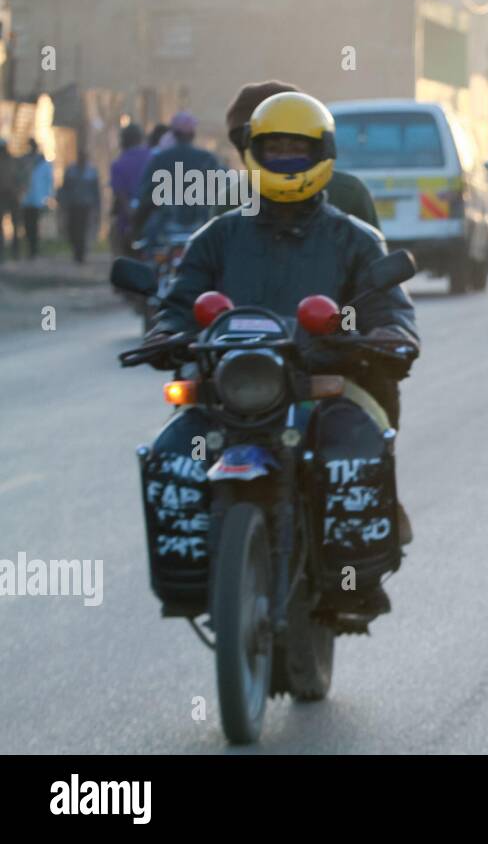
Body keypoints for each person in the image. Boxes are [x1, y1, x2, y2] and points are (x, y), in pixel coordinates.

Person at [145, 91, 419, 621]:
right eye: (276, 149)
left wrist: (387, 333)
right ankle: (188, 580)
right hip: (230, 385)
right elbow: (180, 302)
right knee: (172, 451)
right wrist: (166, 333)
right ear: (255, 153)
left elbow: (389, 306)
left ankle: (356, 579)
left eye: (299, 149)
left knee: (355, 446)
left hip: (322, 382)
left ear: (322, 153)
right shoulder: (217, 236)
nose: (287, 159)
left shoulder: (355, 238)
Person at [219, 80, 379, 227]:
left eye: (296, 147)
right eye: (273, 149)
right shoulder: (350, 191)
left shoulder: (231, 198)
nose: (284, 157)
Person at [131, 111, 220, 242]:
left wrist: (135, 228)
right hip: (202, 227)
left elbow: (145, 196)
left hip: (164, 228)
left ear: (174, 134)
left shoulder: (160, 159)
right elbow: (221, 193)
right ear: (193, 134)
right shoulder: (207, 159)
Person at [109, 123, 152, 256]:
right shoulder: (153, 156)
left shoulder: (119, 163)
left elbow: (120, 195)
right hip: (153, 217)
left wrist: (133, 217)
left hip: (128, 222)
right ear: (140, 138)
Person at [57, 147, 101, 264]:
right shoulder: (70, 170)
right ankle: (76, 250)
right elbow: (65, 188)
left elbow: (95, 191)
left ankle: (80, 254)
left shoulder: (91, 172)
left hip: (86, 206)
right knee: (73, 229)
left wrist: (97, 207)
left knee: (83, 230)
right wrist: (63, 203)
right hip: (73, 205)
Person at [19, 139, 54, 259]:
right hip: (25, 199)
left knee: (34, 225)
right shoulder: (24, 162)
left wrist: (48, 196)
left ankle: (34, 249)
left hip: (38, 199)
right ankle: (30, 248)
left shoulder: (43, 163)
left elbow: (48, 181)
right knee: (27, 225)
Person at [0, 145, 21, 263]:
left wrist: (18, 191)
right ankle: (2, 251)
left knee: (15, 224)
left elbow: (21, 178)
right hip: (2, 196)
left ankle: (15, 251)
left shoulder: (14, 162)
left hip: (13, 196)